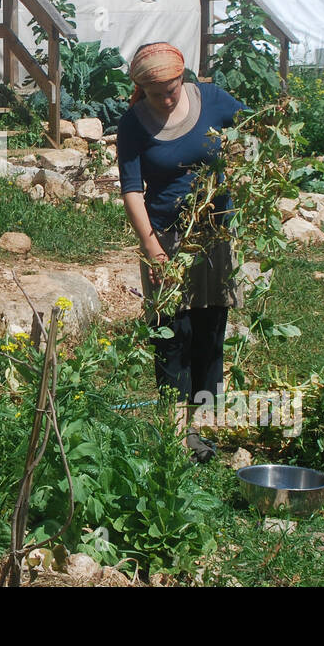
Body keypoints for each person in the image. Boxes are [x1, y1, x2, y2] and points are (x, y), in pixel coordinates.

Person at [116, 42, 247, 462]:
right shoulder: (133, 125)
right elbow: (132, 191)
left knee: (210, 330)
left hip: (213, 236)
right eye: (158, 93)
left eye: (172, 88)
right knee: (173, 332)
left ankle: (204, 428)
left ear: (183, 76)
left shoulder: (212, 100)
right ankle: (174, 435)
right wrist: (152, 249)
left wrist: (249, 157)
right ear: (142, 90)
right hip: (166, 239)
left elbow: (252, 129)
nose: (168, 98)